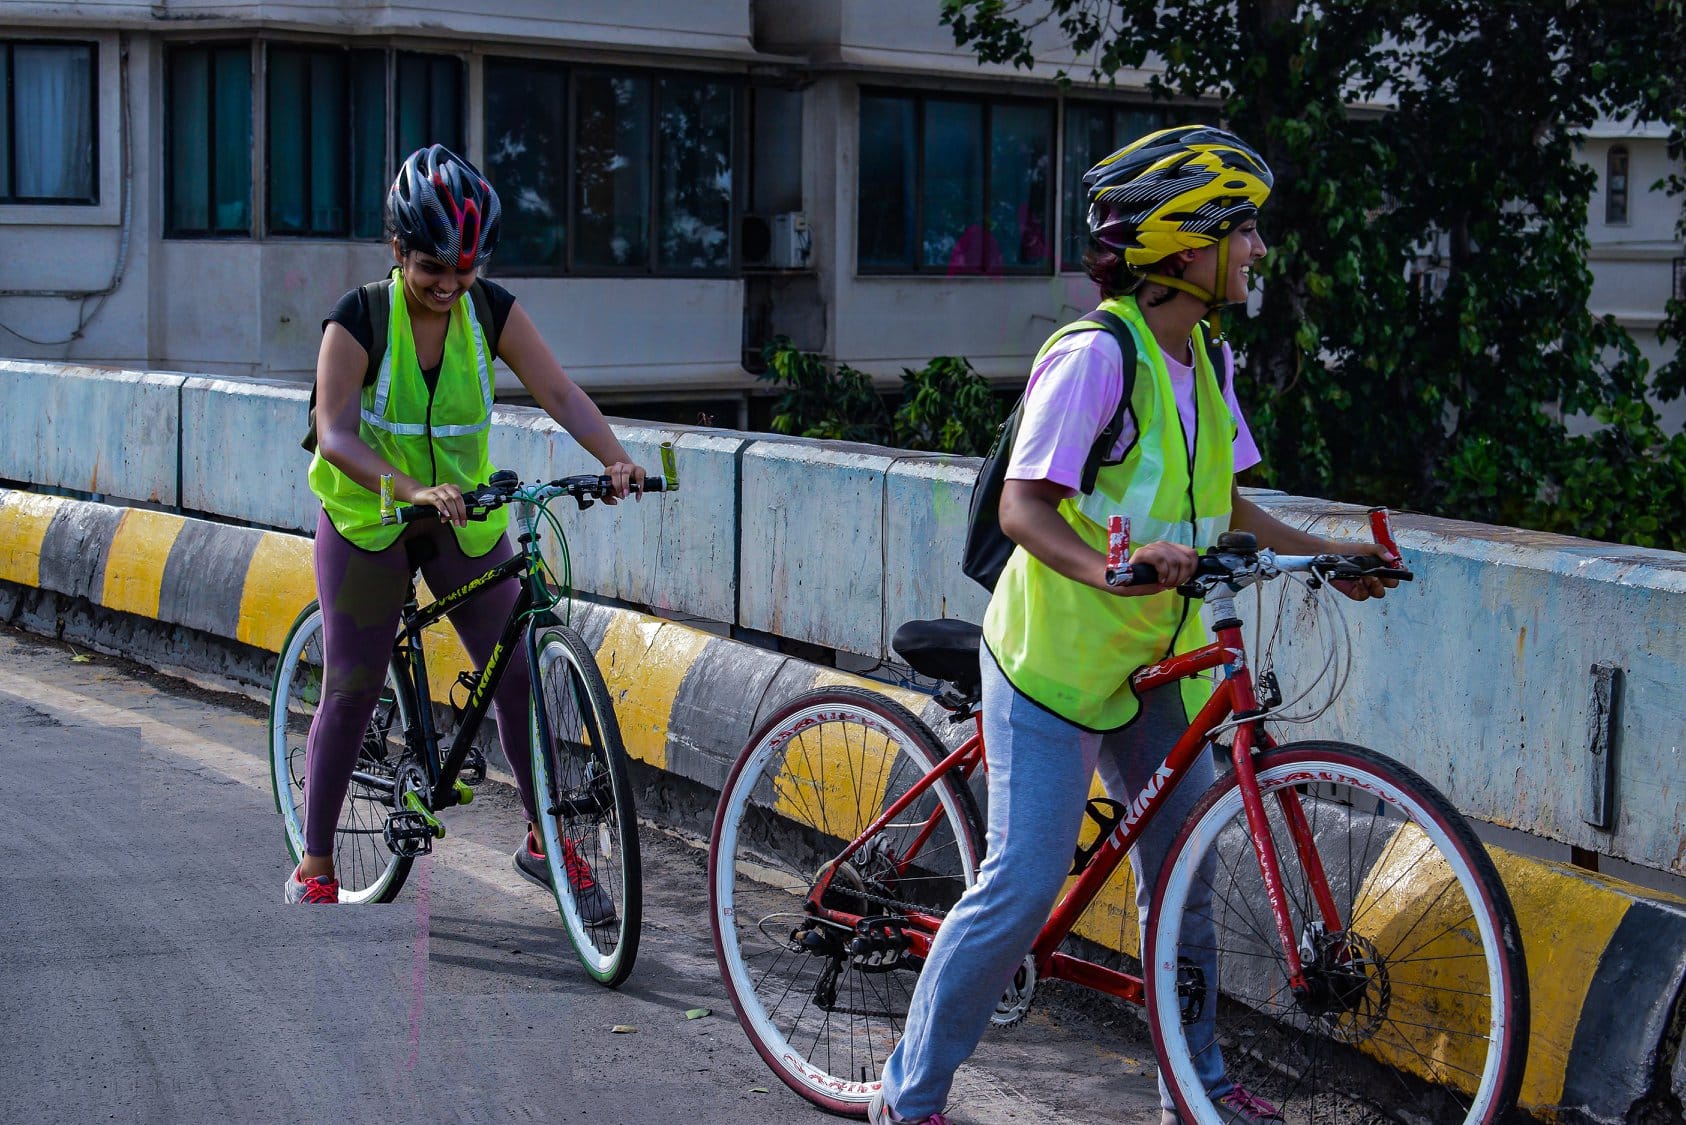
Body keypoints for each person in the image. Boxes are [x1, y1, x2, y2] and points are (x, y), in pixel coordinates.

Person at [870, 126, 1397, 1125]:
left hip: (1153, 670)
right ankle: (910, 1099)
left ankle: (1190, 1092)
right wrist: (1110, 571)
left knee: (1185, 874)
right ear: (1183, 243)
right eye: (1243, 231)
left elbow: (1226, 505)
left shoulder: (1204, 357)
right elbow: (1026, 507)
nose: (1257, 251)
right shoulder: (1095, 355)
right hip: (1054, 668)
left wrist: (1329, 555)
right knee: (1022, 888)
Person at [286, 144, 649, 911]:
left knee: (516, 670)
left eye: (464, 270)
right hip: (369, 517)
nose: (449, 287)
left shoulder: (489, 310)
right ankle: (315, 862)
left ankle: (545, 837)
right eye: (432, 271)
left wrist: (616, 457)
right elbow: (336, 431)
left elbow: (558, 389)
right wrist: (413, 488)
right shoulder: (356, 319)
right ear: (397, 251)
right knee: (351, 684)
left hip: (462, 515)